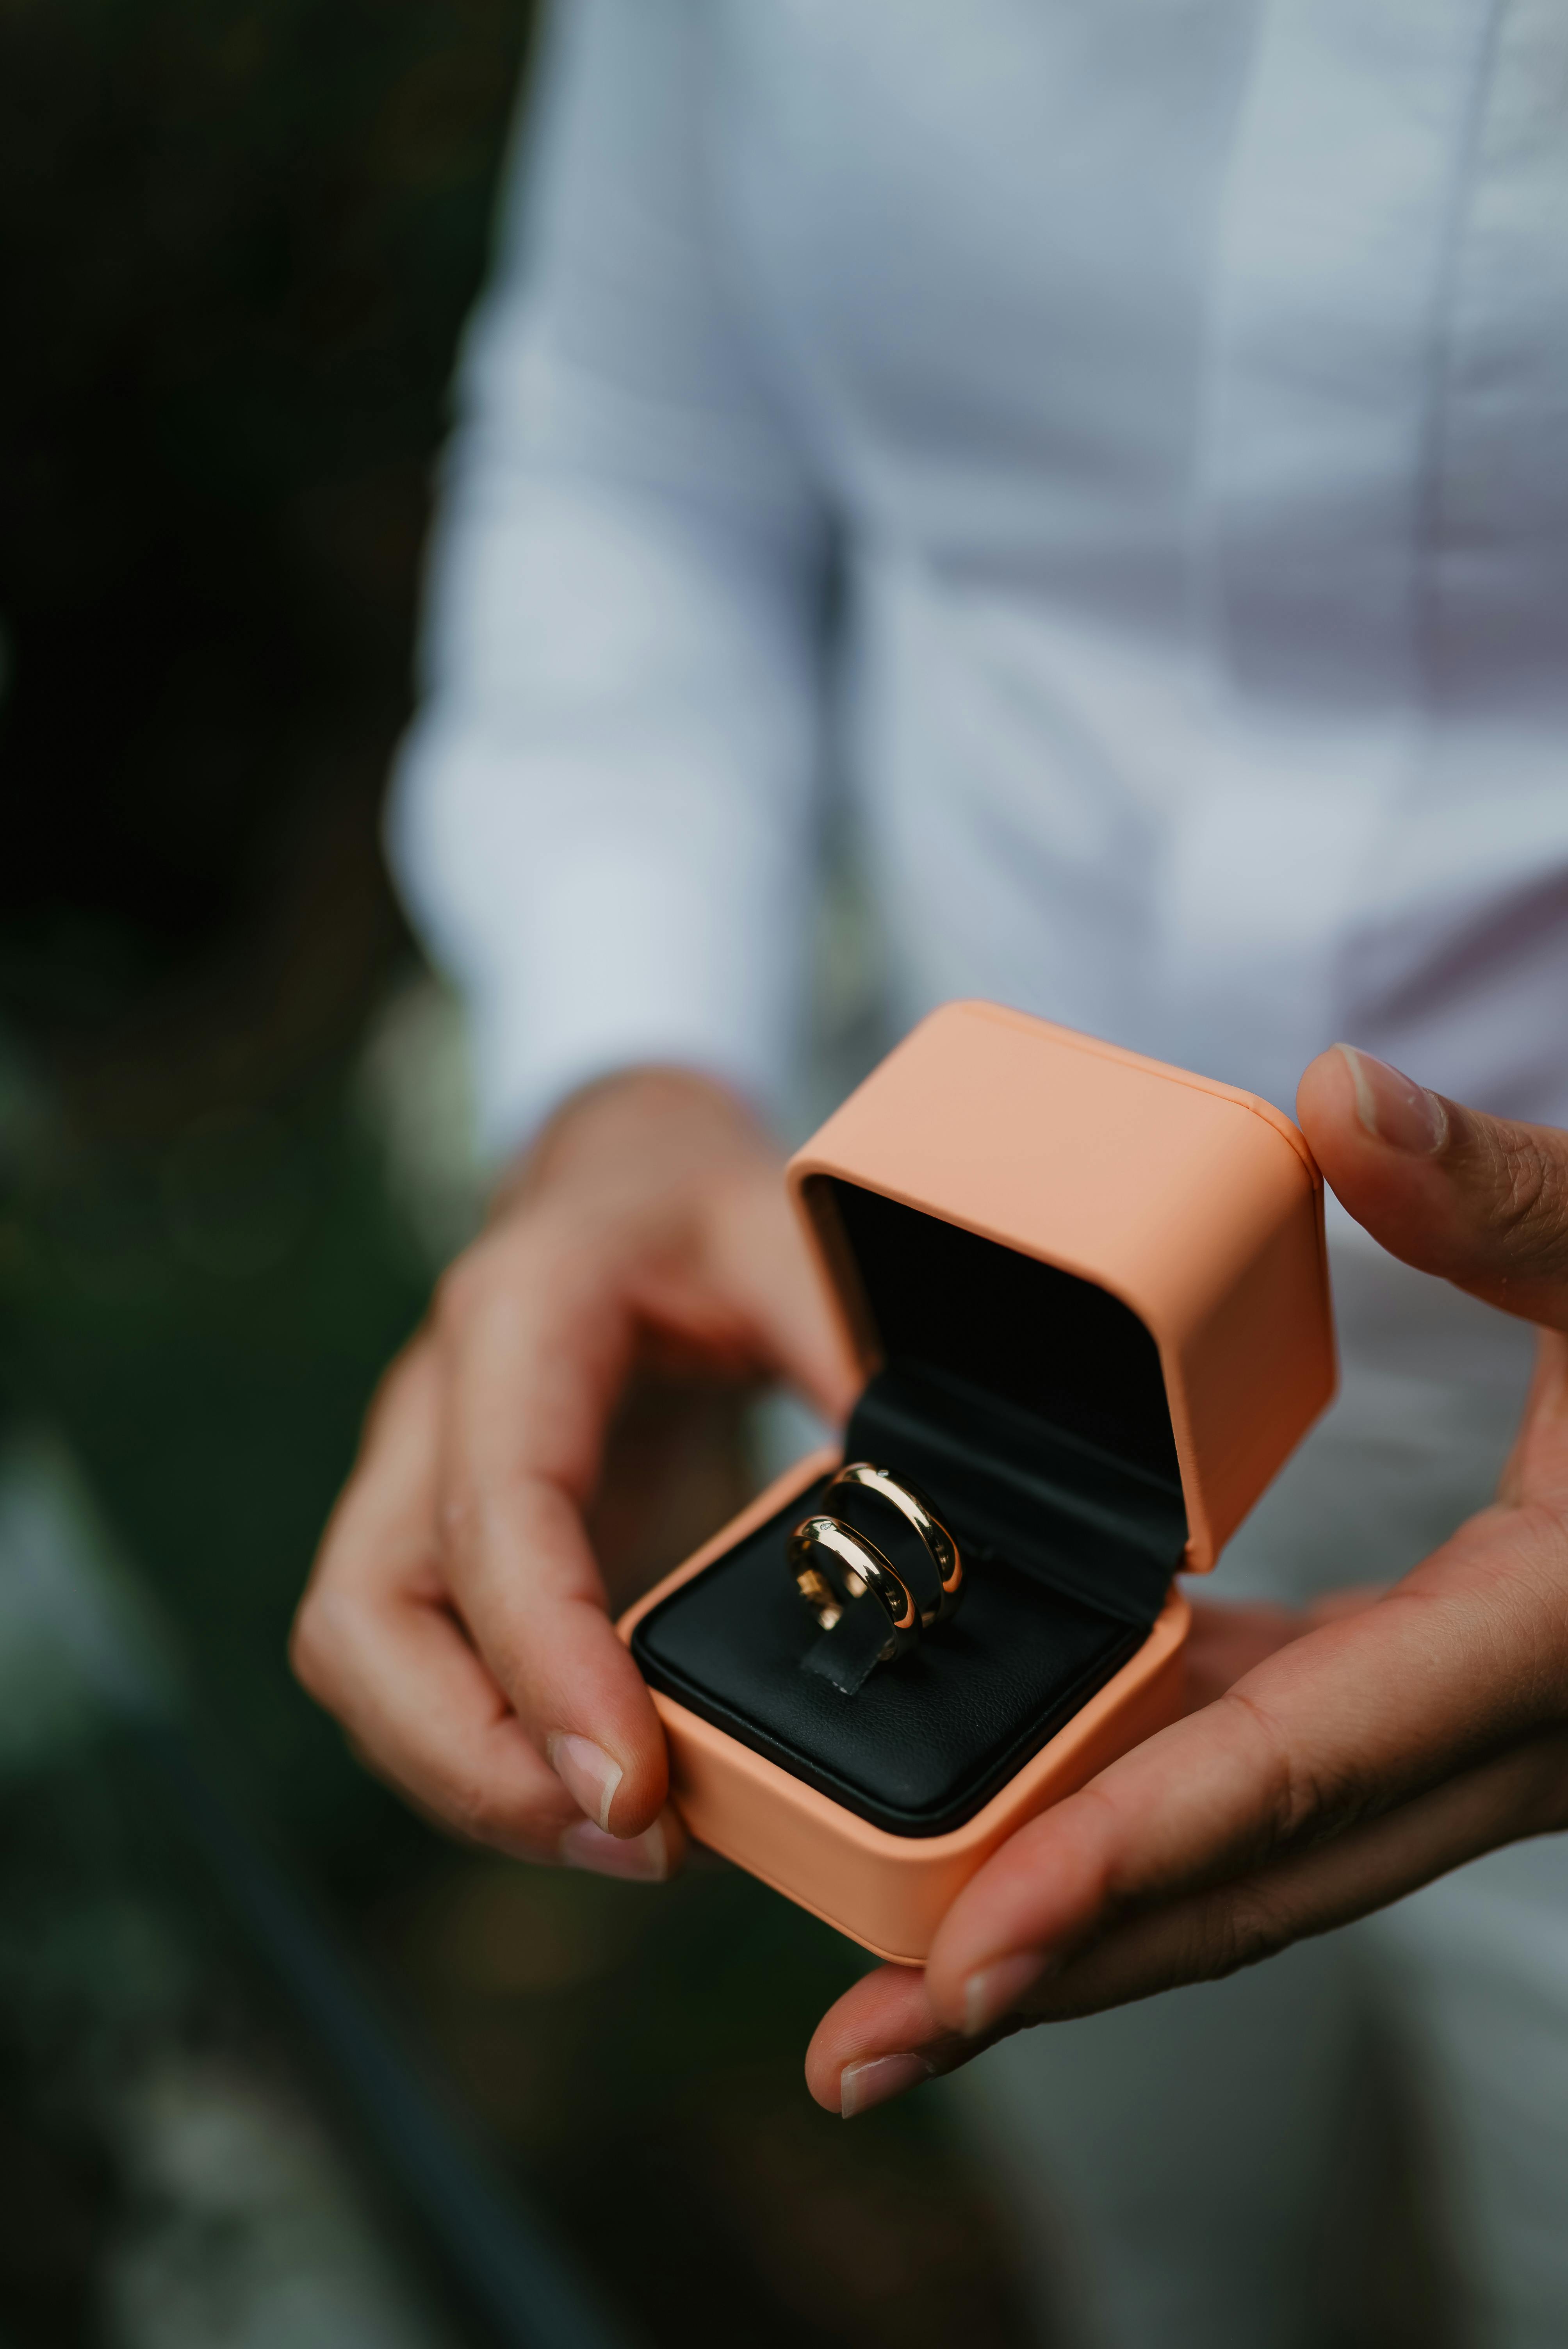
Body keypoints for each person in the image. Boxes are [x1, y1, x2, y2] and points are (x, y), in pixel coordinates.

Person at [291, 5, 1568, 2341]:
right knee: (1172, 2267)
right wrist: (624, 1071)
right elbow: (635, 435)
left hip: (1170, 1421)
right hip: (938, 1358)